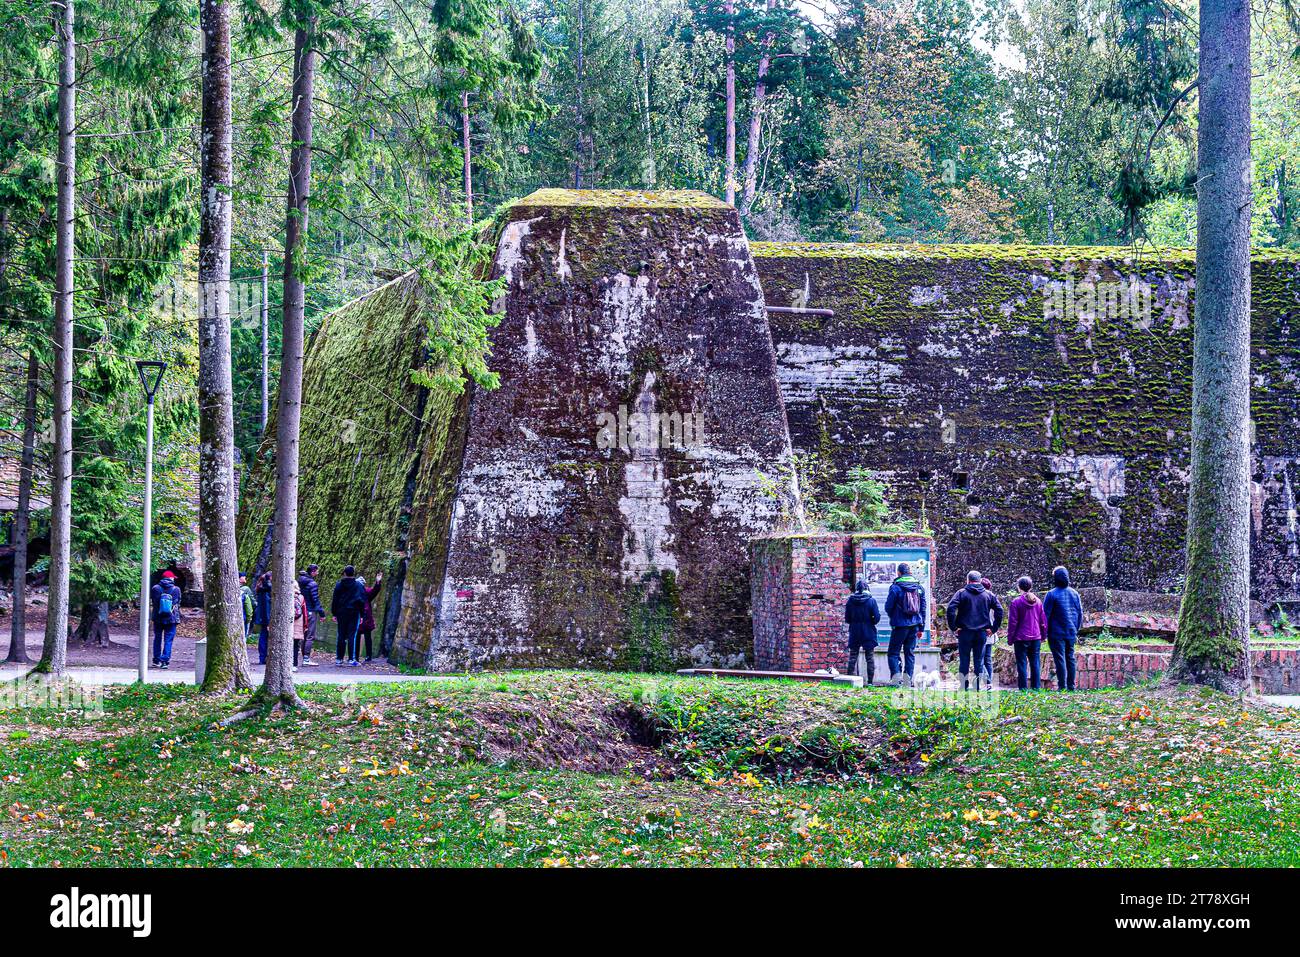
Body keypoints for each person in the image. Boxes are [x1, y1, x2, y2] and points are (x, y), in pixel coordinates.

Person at [946, 570, 1003, 690]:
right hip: (982, 632)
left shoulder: (961, 593)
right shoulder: (988, 595)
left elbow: (950, 609)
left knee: (964, 659)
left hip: (964, 632)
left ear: (968, 580)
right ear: (979, 580)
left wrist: (954, 627)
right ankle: (977, 686)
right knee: (979, 660)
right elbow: (999, 610)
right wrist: (993, 628)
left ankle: (964, 685)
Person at [883, 562, 927, 685]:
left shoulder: (895, 587)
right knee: (910, 653)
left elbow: (888, 607)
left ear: (899, 572)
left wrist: (894, 618)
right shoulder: (919, 587)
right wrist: (921, 628)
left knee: (893, 652)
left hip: (899, 625)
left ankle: (896, 680)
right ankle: (908, 680)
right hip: (914, 625)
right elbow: (923, 609)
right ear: (910, 572)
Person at [1042, 565, 1083, 691]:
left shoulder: (1051, 594)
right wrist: (1076, 630)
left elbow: (1045, 616)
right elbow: (1080, 613)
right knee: (1070, 658)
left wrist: (1043, 633)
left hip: (1056, 633)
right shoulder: (1075, 593)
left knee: (1060, 659)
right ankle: (1071, 686)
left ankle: (1062, 686)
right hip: (1071, 632)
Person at [1005, 576, 1048, 690]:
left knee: (1022, 663)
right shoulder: (1038, 601)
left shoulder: (1016, 602)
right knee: (1035, 663)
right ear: (1030, 587)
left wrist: (1010, 639)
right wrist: (1043, 635)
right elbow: (1043, 620)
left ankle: (1023, 688)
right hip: (1036, 637)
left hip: (1021, 638)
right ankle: (1036, 688)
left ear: (1019, 588)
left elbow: (1012, 623)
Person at [843, 579, 881, 684]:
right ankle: (870, 682)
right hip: (868, 631)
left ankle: (849, 681)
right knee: (869, 657)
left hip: (855, 631)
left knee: (853, 656)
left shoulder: (851, 601)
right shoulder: (871, 600)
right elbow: (877, 618)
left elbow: (847, 618)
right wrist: (871, 621)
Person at [331, 565, 366, 667]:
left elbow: (335, 600)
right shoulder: (358, 586)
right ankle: (351, 659)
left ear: (344, 573)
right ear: (353, 573)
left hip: (341, 612)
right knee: (352, 636)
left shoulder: (339, 585)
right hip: (354, 613)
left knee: (341, 635)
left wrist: (334, 613)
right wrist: (362, 614)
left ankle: (339, 659)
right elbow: (361, 601)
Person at [150, 570, 183, 670]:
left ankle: (156, 660)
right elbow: (178, 602)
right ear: (171, 578)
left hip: (158, 617)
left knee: (157, 638)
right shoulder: (176, 589)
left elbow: (154, 602)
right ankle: (165, 661)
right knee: (168, 640)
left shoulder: (155, 588)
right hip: (171, 619)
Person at [297, 564, 324, 667]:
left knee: (303, 635)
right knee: (310, 635)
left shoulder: (300, 581)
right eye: (316, 571)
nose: (317, 573)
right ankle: (306, 659)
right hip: (310, 611)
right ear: (312, 572)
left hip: (301, 611)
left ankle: (304, 657)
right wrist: (322, 613)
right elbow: (315, 599)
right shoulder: (312, 584)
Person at [355, 571, 384, 663]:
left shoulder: (365, 591)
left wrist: (378, 582)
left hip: (365, 618)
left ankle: (368, 656)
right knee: (357, 637)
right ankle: (356, 656)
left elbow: (374, 591)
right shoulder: (355, 591)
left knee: (366, 637)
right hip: (358, 617)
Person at [254, 571, 273, 666]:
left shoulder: (261, 589)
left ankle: (262, 657)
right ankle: (263, 658)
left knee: (263, 636)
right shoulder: (267, 591)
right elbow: (267, 608)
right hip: (266, 618)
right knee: (264, 637)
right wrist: (269, 621)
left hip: (262, 617)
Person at [239, 572, 255, 641]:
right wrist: (249, 618)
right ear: (239, 578)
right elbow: (252, 603)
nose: (245, 576)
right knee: (244, 637)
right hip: (244, 617)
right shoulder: (245, 589)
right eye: (243, 576)